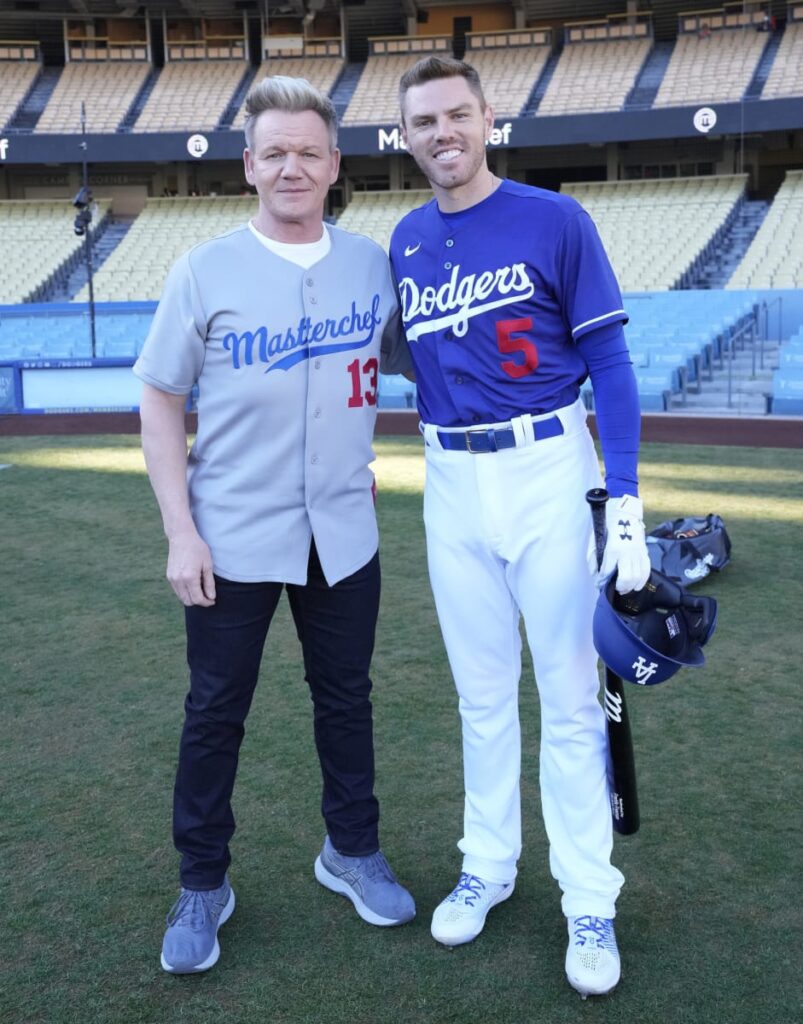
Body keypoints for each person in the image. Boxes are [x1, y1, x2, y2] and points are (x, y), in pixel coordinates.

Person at [381, 56, 651, 999]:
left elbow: (610, 363)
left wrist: (621, 497)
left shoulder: (555, 219)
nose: (441, 132)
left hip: (546, 468)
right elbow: (395, 363)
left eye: (457, 114)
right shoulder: (405, 242)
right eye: (424, 121)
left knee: (571, 699)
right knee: (481, 695)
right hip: (450, 476)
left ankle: (588, 896)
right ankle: (486, 864)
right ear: (405, 136)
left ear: (487, 119)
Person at [134, 75, 415, 976]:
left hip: (343, 531)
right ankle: (203, 880)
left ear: (335, 165)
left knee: (347, 702)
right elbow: (159, 396)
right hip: (231, 536)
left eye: (309, 151)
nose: (292, 166)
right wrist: (180, 530)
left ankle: (350, 852)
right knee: (214, 712)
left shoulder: (374, 265)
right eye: (274, 152)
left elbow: (432, 360)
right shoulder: (204, 268)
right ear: (249, 165)